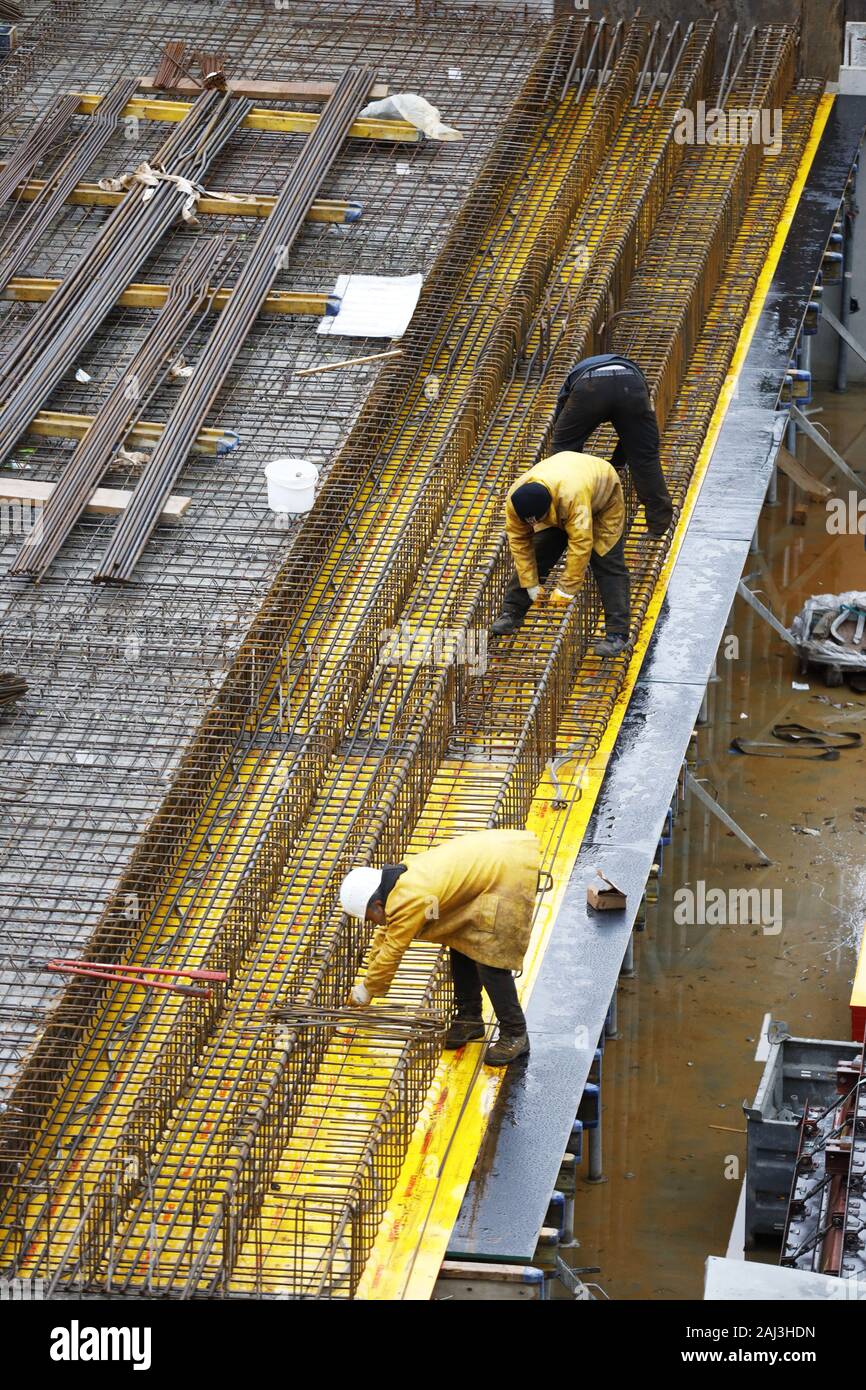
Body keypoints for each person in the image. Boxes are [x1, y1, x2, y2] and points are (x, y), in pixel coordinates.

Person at [339, 828, 541, 1066]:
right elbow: (386, 933)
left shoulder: (410, 898)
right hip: (498, 860)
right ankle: (470, 1018)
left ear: (377, 903)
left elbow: (393, 949)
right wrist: (368, 980)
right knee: (462, 940)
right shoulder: (396, 884)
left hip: (508, 872)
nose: (374, 923)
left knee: (490, 958)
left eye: (371, 917)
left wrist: (366, 991)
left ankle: (515, 1033)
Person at [491, 449, 630, 658]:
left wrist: (566, 589)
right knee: (540, 550)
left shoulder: (573, 496)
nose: (534, 525)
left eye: (538, 520)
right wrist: (531, 585)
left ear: (549, 508)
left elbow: (581, 543)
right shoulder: (515, 500)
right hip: (564, 485)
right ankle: (511, 613)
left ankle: (617, 634)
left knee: (607, 561)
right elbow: (520, 544)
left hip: (602, 495)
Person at [552, 352, 673, 537]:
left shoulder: (573, 377)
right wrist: (617, 462)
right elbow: (634, 436)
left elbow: (561, 425)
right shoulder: (635, 376)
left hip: (590, 385)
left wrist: (567, 452)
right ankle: (658, 526)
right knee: (645, 457)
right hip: (631, 384)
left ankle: (563, 519)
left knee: (562, 454)